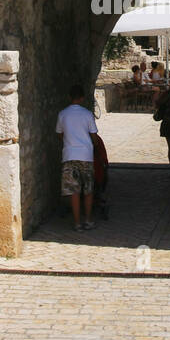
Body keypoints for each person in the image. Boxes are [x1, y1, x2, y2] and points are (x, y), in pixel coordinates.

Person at [56, 84, 98, 231]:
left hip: (69, 155)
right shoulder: (87, 114)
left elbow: (60, 134)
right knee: (88, 189)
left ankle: (77, 223)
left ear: (69, 97)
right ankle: (87, 219)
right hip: (86, 155)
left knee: (73, 191)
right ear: (82, 98)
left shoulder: (62, 114)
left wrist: (68, 142)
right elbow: (93, 135)